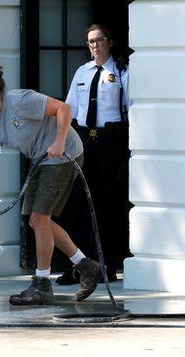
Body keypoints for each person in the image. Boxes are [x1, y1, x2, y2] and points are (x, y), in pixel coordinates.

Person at [0, 60, 102, 305]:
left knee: (40, 218)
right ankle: (85, 265)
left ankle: (42, 284)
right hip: (41, 160)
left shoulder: (20, 100)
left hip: (64, 155)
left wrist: (59, 141)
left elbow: (63, 109)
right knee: (37, 220)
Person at [56, 23, 132, 285]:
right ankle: (77, 266)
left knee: (108, 204)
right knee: (78, 205)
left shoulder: (122, 72)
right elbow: (69, 110)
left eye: (99, 40)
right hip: (84, 141)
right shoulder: (82, 72)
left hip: (110, 143)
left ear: (110, 42)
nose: (95, 45)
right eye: (90, 41)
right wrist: (62, 141)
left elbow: (132, 109)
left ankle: (108, 264)